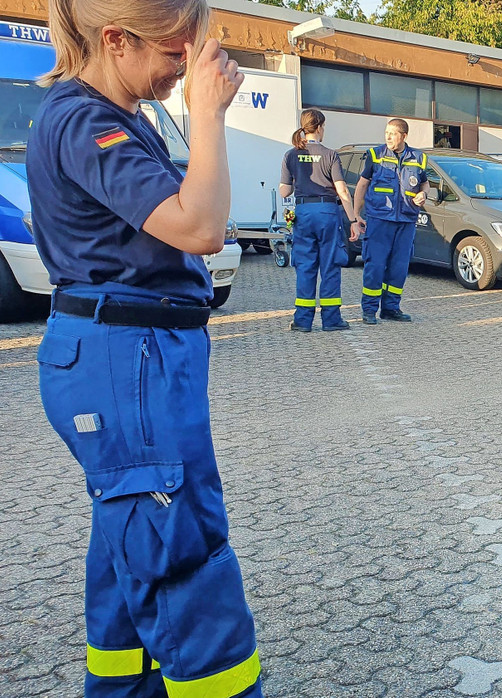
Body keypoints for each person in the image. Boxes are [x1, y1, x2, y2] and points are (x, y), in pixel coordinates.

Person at [27, 0, 261, 695]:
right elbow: (200, 226)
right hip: (124, 359)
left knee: (130, 542)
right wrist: (209, 114)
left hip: (132, 355)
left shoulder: (115, 117)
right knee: (178, 551)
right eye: (173, 53)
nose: (182, 69)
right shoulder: (86, 121)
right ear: (116, 39)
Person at [279, 109, 358, 332]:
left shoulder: (290, 155)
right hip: (327, 213)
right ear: (320, 127)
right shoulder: (331, 155)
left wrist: (298, 179)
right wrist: (352, 219)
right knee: (331, 265)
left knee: (305, 266)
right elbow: (342, 190)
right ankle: (331, 320)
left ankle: (302, 321)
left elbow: (285, 192)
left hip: (303, 214)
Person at [350, 117, 427, 325]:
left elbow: (424, 184)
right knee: (375, 265)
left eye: (393, 133)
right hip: (379, 219)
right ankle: (369, 310)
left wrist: (423, 194)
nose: (388, 137)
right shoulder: (375, 155)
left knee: (399, 267)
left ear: (404, 136)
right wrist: (356, 215)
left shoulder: (419, 157)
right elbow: (362, 186)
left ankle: (391, 308)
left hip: (406, 221)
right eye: (386, 133)